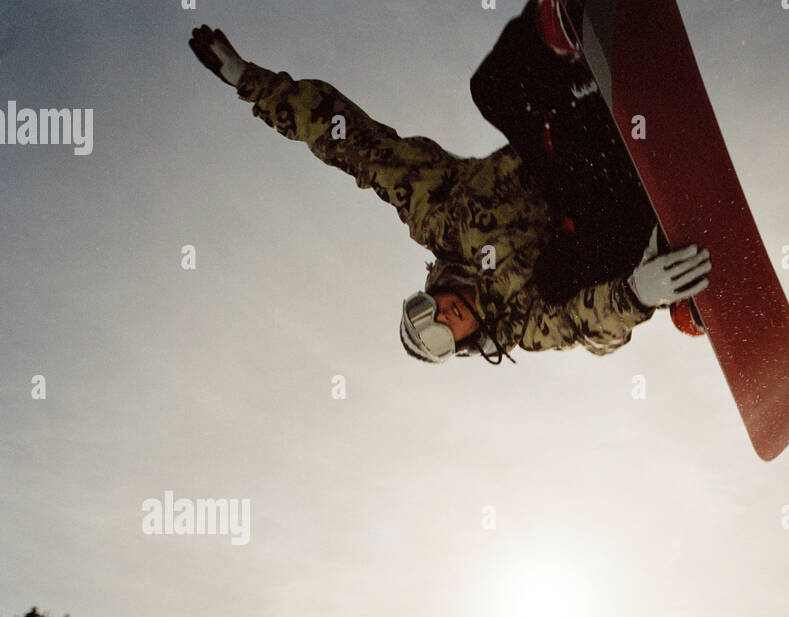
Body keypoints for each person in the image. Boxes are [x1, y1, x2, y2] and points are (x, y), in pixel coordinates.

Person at [188, 5, 711, 366]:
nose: (441, 319)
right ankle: (675, 275)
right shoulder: (518, 324)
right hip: (617, 219)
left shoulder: (438, 214)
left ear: (424, 294)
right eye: (438, 338)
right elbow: (576, 325)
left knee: (490, 89)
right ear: (459, 348)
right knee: (559, 280)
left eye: (421, 312)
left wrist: (248, 81)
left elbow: (357, 146)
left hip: (578, 139)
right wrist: (637, 294)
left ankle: (568, 39)